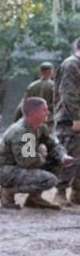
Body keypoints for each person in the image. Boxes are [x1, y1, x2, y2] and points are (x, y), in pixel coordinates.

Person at [0, 97, 76, 209]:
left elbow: (53, 145)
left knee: (57, 161)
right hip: (3, 170)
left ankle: (34, 199)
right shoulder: (23, 132)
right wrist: (42, 153)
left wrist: (63, 156)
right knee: (49, 180)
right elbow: (28, 162)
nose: (48, 112)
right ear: (33, 113)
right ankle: (7, 191)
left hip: (20, 165)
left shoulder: (40, 127)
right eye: (44, 110)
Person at [53, 39, 80, 205]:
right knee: (69, 156)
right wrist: (76, 118)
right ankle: (60, 192)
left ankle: (77, 193)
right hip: (71, 120)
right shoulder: (71, 65)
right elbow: (68, 94)